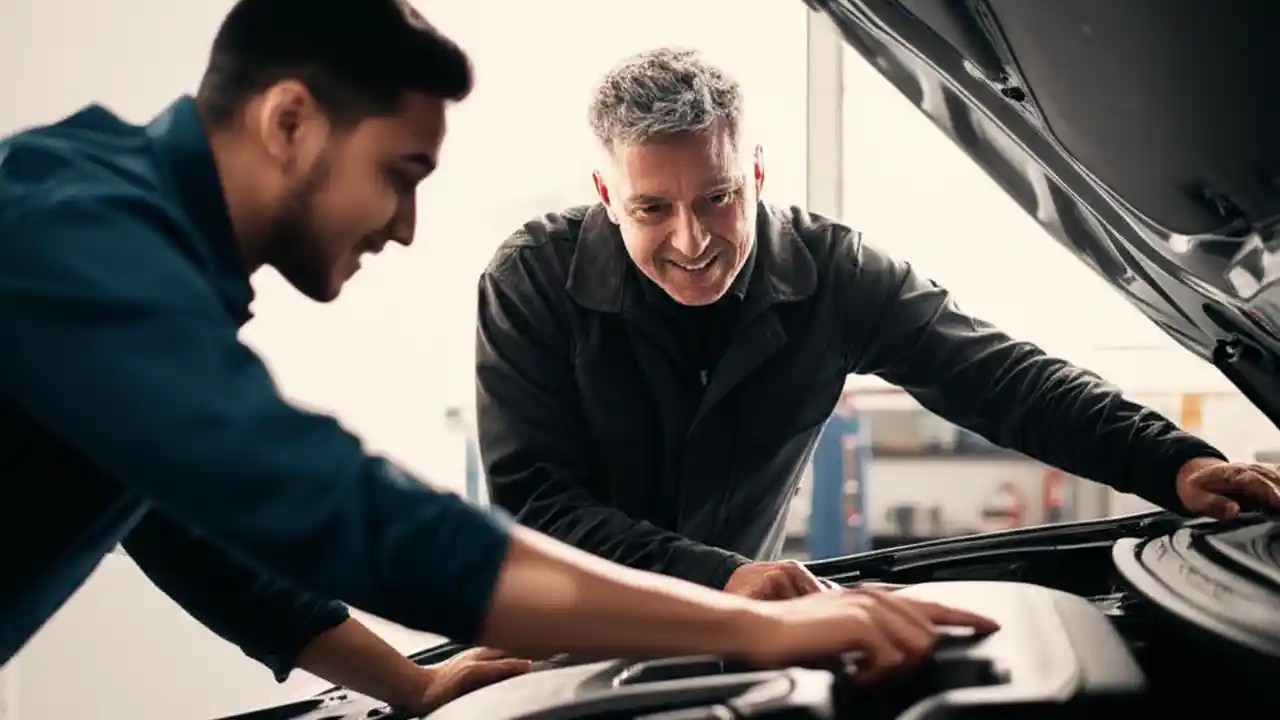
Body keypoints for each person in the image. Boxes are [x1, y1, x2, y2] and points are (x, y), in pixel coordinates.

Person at [0, 0, 999, 709]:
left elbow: (189, 525)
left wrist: (410, 681)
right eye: (399, 175)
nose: (404, 227)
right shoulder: (72, 238)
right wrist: (756, 626)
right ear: (290, 121)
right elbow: (330, 508)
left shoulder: (106, 230)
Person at [475, 47, 1280, 601]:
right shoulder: (533, 283)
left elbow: (999, 378)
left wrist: (1169, 460)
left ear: (755, 172)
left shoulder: (834, 274)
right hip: (561, 627)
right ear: (607, 193)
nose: (693, 241)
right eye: (653, 208)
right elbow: (538, 504)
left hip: (728, 626)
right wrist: (718, 578)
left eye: (718, 196)